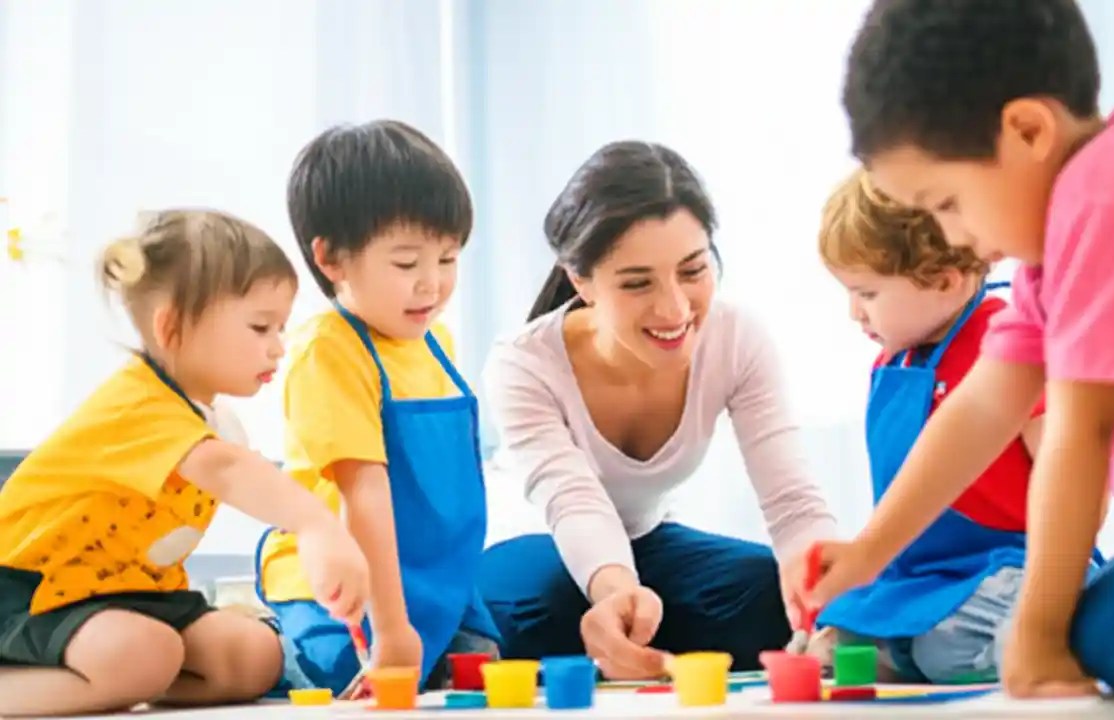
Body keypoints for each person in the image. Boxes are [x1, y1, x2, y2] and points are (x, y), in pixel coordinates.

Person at [802, 0, 1114, 700]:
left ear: (1027, 130)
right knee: (1102, 618)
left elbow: (1079, 432)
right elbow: (982, 408)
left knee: (1102, 635)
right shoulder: (1052, 251)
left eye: (947, 203)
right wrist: (870, 552)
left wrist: (1038, 637)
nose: (953, 235)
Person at [478, 140, 838, 680]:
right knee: (545, 609)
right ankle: (626, 640)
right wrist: (617, 591)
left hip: (645, 543)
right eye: (637, 283)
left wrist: (823, 591)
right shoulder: (523, 363)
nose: (674, 308)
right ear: (581, 280)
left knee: (773, 591)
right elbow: (574, 503)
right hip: (532, 544)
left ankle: (633, 647)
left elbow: (792, 502)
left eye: (692, 271)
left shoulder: (737, 338)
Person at [0, 210, 369, 717]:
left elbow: (233, 467)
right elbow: (227, 470)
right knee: (145, 654)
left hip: (130, 594)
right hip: (33, 594)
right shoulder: (137, 406)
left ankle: (127, 682)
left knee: (253, 655)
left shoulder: (211, 420)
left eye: (281, 328)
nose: (278, 348)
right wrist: (316, 525)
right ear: (171, 326)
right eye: (260, 327)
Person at [813, 168, 1105, 683]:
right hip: (922, 572)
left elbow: (1081, 479)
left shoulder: (1007, 343)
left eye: (868, 294)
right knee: (832, 639)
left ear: (945, 281)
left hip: (1010, 565)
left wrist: (1053, 583)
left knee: (948, 647)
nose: (854, 313)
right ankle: (915, 647)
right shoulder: (895, 361)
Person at [254, 120, 499, 694]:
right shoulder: (329, 351)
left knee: (481, 662)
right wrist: (390, 627)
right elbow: (363, 495)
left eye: (448, 259)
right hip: (345, 582)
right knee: (346, 669)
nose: (432, 285)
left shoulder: (437, 345)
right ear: (332, 259)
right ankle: (265, 639)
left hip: (432, 577)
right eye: (407, 264)